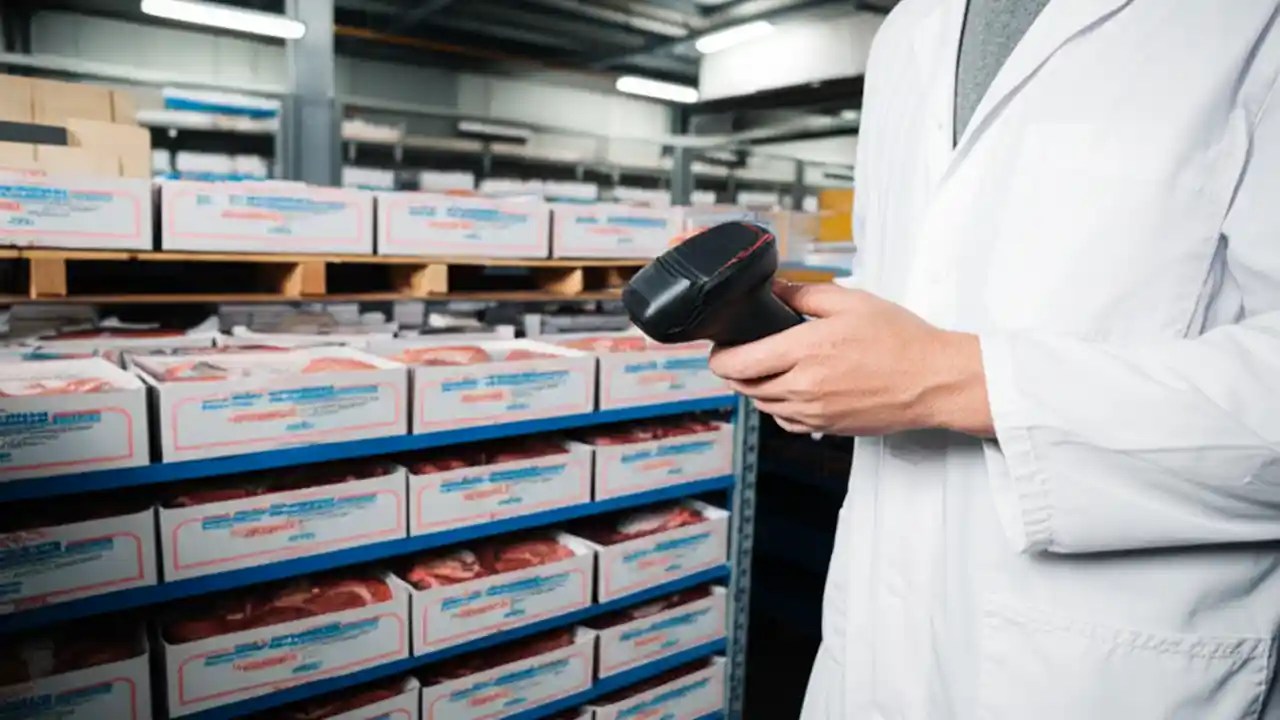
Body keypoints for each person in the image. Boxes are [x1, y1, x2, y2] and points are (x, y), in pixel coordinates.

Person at [710, 1, 1280, 718]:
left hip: (1107, 669)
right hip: (876, 638)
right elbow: (934, 278)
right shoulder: (909, 30)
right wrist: (817, 348)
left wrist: (952, 380)